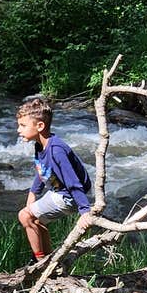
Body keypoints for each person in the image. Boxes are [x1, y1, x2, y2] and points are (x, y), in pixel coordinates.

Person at [16, 96, 92, 261]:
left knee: (25, 216)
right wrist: (33, 192)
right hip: (57, 191)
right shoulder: (40, 144)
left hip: (69, 196)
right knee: (36, 221)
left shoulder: (56, 150)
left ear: (40, 126)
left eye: (23, 125)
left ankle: (39, 261)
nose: (18, 130)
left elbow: (73, 182)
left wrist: (85, 211)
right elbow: (42, 170)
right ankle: (49, 259)